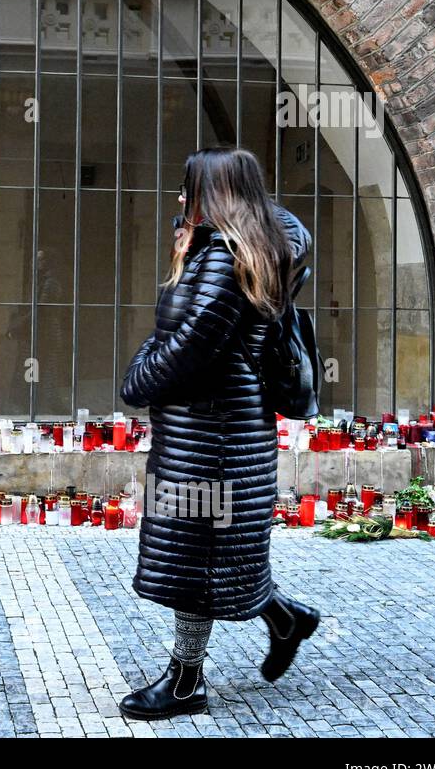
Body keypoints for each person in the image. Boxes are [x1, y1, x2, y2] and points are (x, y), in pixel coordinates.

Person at [118, 147, 321, 721]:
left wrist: (137, 379)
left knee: (197, 560)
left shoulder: (228, 260)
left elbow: (191, 347)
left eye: (189, 190)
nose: (180, 200)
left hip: (212, 440)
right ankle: (286, 619)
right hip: (221, 432)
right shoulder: (254, 247)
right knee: (217, 551)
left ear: (216, 194)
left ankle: (186, 682)